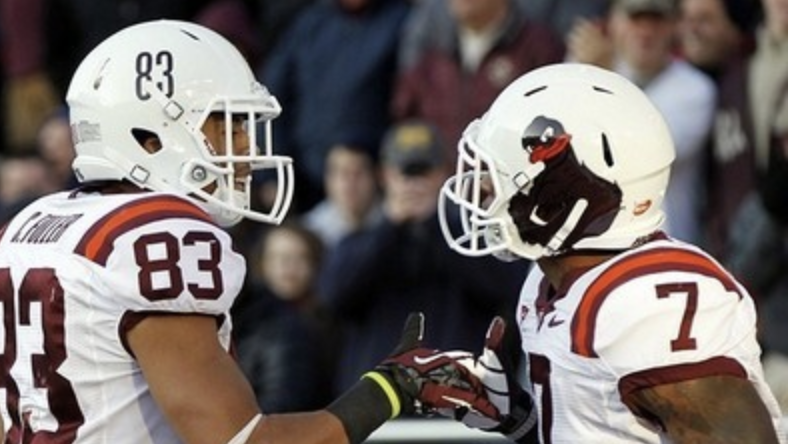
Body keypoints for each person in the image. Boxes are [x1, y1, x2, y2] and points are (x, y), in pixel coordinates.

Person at [0, 20, 495, 444]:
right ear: (148, 138)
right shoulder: (157, 234)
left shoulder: (31, 224)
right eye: (225, 126)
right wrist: (390, 389)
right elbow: (241, 440)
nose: (245, 148)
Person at [435, 63, 786, 442]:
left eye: (497, 175)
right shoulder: (547, 280)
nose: (482, 190)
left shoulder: (645, 302)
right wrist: (513, 416)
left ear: (562, 194)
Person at [318, 118, 528, 394]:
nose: (413, 182)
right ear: (384, 175)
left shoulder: (472, 239)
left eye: (423, 171)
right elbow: (333, 297)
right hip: (377, 399)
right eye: (405, 171)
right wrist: (391, 226)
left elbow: (506, 289)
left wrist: (436, 223)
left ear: (444, 173)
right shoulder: (360, 240)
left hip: (454, 396)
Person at [567, 0, 716, 245]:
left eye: (656, 21)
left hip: (664, 248)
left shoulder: (695, 89)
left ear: (674, 26)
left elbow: (645, 155)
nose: (645, 32)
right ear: (613, 22)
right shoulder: (582, 69)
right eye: (635, 19)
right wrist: (591, 73)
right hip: (584, 242)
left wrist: (603, 76)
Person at [392, 0, 565, 174]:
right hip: (441, 184)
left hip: (509, 181)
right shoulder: (431, 49)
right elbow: (404, 120)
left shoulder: (539, 48)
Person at [232, 221, 340, 413]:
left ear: (316, 264)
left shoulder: (335, 318)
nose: (288, 267)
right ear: (261, 263)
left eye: (300, 258)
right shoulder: (247, 319)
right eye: (278, 258)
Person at [301, 141, 384, 248]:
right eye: (343, 173)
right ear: (328, 179)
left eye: (358, 173)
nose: (350, 183)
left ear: (376, 177)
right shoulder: (311, 230)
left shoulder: (393, 218)